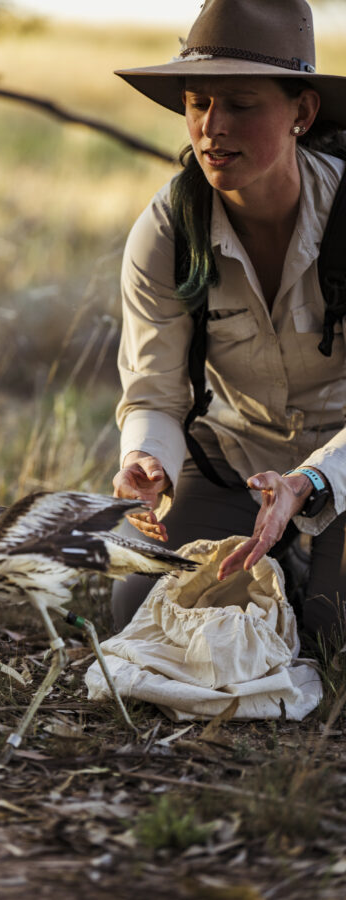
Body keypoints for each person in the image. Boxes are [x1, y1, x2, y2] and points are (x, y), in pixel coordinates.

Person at [111, 0, 346, 643]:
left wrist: (310, 481)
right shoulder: (168, 231)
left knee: (333, 634)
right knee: (143, 608)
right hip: (235, 456)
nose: (212, 127)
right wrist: (146, 460)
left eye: (241, 104)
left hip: (341, 464)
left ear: (302, 113)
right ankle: (281, 568)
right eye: (198, 103)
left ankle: (303, 576)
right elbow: (155, 394)